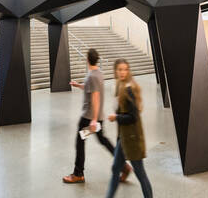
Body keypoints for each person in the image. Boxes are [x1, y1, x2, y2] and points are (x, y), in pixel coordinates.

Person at [63, 48, 131, 184]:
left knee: (80, 141)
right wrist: (78, 85)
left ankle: (78, 173)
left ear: (87, 59)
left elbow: (95, 96)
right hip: (98, 117)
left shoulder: (92, 76)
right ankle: (124, 166)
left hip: (89, 118)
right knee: (102, 140)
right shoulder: (98, 73)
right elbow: (91, 88)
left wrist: (93, 120)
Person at [106, 58, 153, 198]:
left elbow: (134, 117)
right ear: (115, 71)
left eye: (125, 69)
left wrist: (116, 118)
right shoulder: (119, 85)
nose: (122, 72)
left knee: (140, 174)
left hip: (132, 138)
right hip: (123, 138)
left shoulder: (129, 89)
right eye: (120, 69)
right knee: (115, 169)